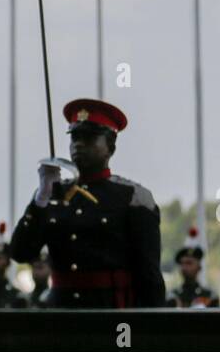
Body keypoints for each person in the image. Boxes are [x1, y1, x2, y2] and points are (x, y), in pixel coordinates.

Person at [9, 99, 165, 308]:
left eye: (90, 137)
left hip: (111, 313)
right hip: (61, 315)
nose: (79, 144)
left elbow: (149, 275)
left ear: (110, 147)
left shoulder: (132, 197)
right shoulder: (52, 194)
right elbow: (21, 253)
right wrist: (41, 198)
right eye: (75, 137)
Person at [167, 226, 219, 308]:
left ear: (199, 267)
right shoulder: (172, 296)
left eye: (189, 263)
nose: (184, 267)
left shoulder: (210, 297)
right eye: (182, 263)